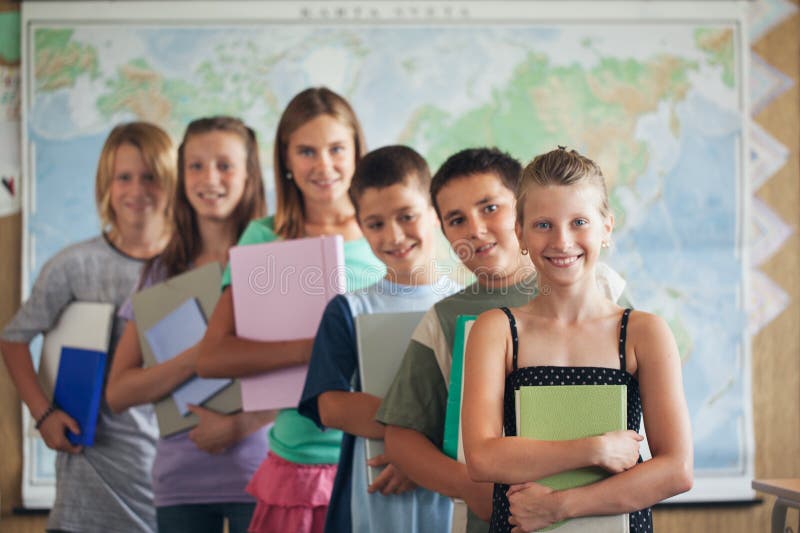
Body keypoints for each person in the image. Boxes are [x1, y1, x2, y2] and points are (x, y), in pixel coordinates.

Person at [376, 147, 630, 533]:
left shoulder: (602, 289)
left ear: (521, 214)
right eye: (456, 220)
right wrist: (464, 483)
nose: (475, 229)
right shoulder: (444, 319)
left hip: (602, 514)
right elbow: (401, 435)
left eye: (489, 208)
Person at [461, 147, 693, 533]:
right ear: (520, 233)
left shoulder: (644, 333)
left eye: (579, 221)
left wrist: (560, 507)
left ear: (606, 227)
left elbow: (677, 470)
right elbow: (483, 459)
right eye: (543, 224)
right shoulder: (497, 330)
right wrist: (595, 449)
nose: (562, 241)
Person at [195, 87, 385, 533]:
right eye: (306, 151)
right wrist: (313, 349)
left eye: (337, 148)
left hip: (382, 457)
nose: (323, 165)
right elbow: (213, 356)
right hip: (299, 465)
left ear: (358, 150)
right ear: (285, 158)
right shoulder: (264, 237)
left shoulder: (388, 233)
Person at [0, 122, 176, 533]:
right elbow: (13, 339)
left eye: (150, 176)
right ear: (106, 186)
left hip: (169, 487)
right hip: (86, 493)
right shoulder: (74, 265)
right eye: (124, 177)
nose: (137, 190)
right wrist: (43, 415)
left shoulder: (189, 269)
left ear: (170, 181)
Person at [106, 116, 273, 533]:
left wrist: (241, 424)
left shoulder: (275, 262)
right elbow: (118, 392)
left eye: (225, 165)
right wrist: (201, 357)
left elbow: (310, 372)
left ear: (251, 175)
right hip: (179, 486)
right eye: (195, 166)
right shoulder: (162, 272)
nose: (208, 178)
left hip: (263, 477)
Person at [297, 145, 461, 533]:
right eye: (375, 224)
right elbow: (330, 405)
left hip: (451, 496)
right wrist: (416, 446)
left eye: (407, 216)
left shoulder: (467, 307)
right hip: (370, 499)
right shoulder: (349, 310)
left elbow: (484, 411)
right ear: (360, 225)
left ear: (434, 211)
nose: (394, 235)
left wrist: (420, 459)